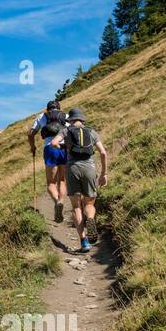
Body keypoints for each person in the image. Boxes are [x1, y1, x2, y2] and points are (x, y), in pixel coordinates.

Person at [52, 107, 108, 252]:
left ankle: (84, 241)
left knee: (76, 207)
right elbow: (103, 152)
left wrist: (63, 147)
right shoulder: (91, 131)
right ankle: (90, 218)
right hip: (89, 168)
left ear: (69, 120)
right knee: (89, 203)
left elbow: (53, 143)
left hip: (72, 169)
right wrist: (104, 174)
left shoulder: (66, 131)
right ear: (82, 120)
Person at [27, 100, 68, 222]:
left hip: (50, 148)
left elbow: (30, 133)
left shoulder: (42, 116)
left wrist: (33, 147)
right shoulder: (65, 116)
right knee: (62, 180)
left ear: (47, 108)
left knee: (51, 183)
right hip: (64, 147)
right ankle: (61, 201)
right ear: (59, 108)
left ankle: (56, 201)